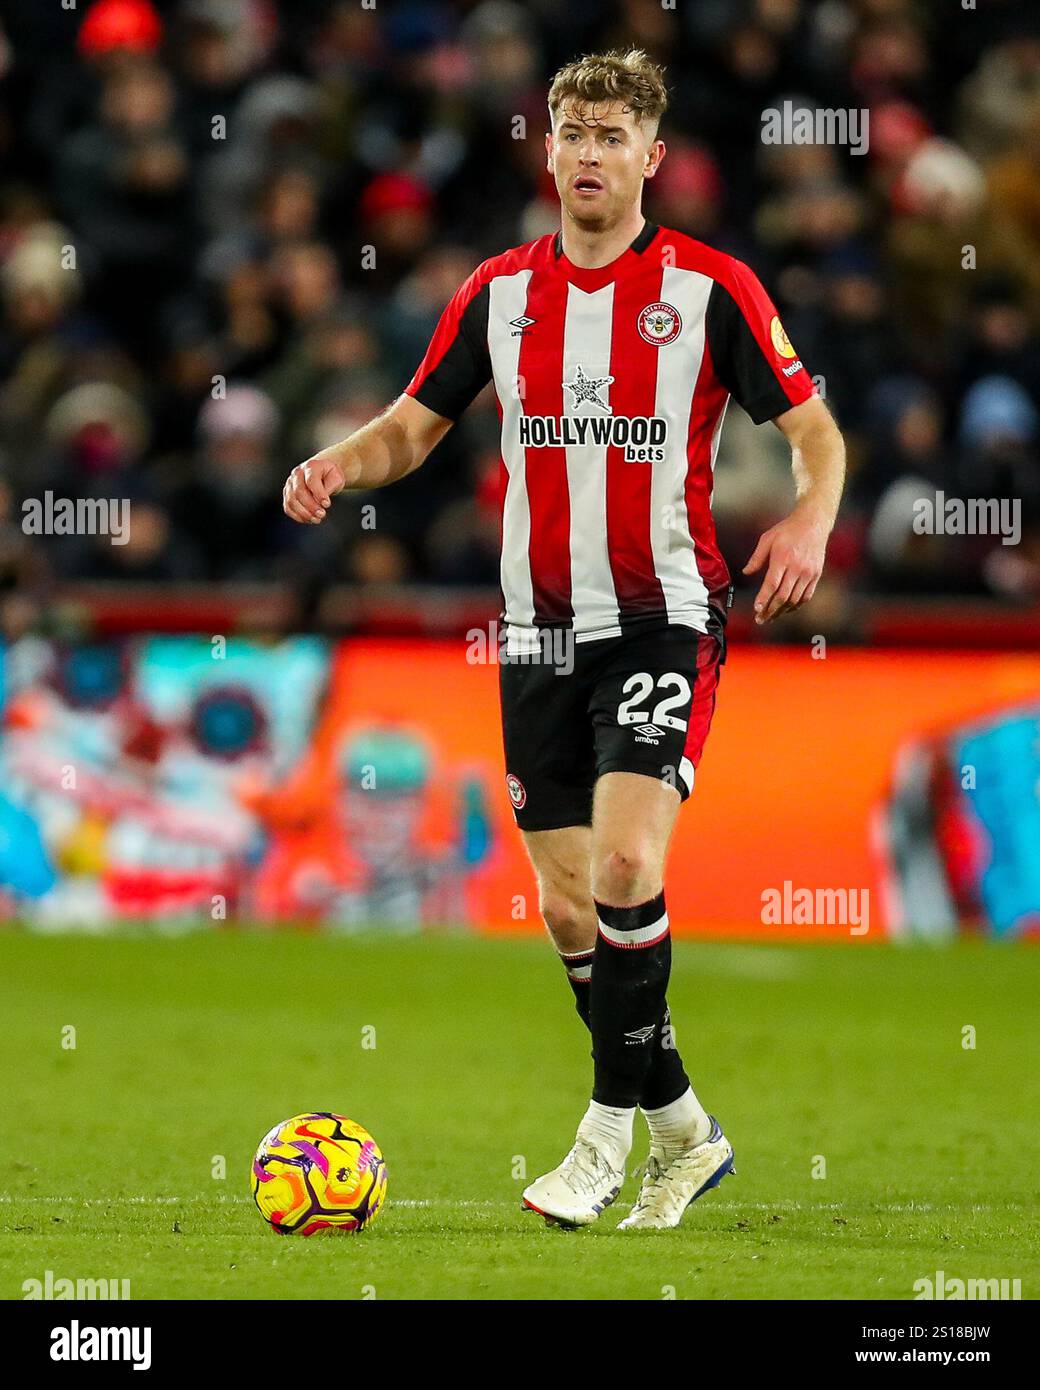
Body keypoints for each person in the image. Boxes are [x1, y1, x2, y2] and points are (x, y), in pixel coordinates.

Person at [282, 49, 845, 1230]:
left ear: (649, 158)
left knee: (633, 868)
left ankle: (599, 1145)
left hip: (661, 616)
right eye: (571, 133)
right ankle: (686, 1133)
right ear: (548, 149)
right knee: (569, 908)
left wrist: (806, 515)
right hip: (536, 632)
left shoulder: (708, 290)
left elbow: (816, 432)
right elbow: (411, 427)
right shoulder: (498, 292)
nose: (588, 154)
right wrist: (339, 461)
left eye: (611, 136)